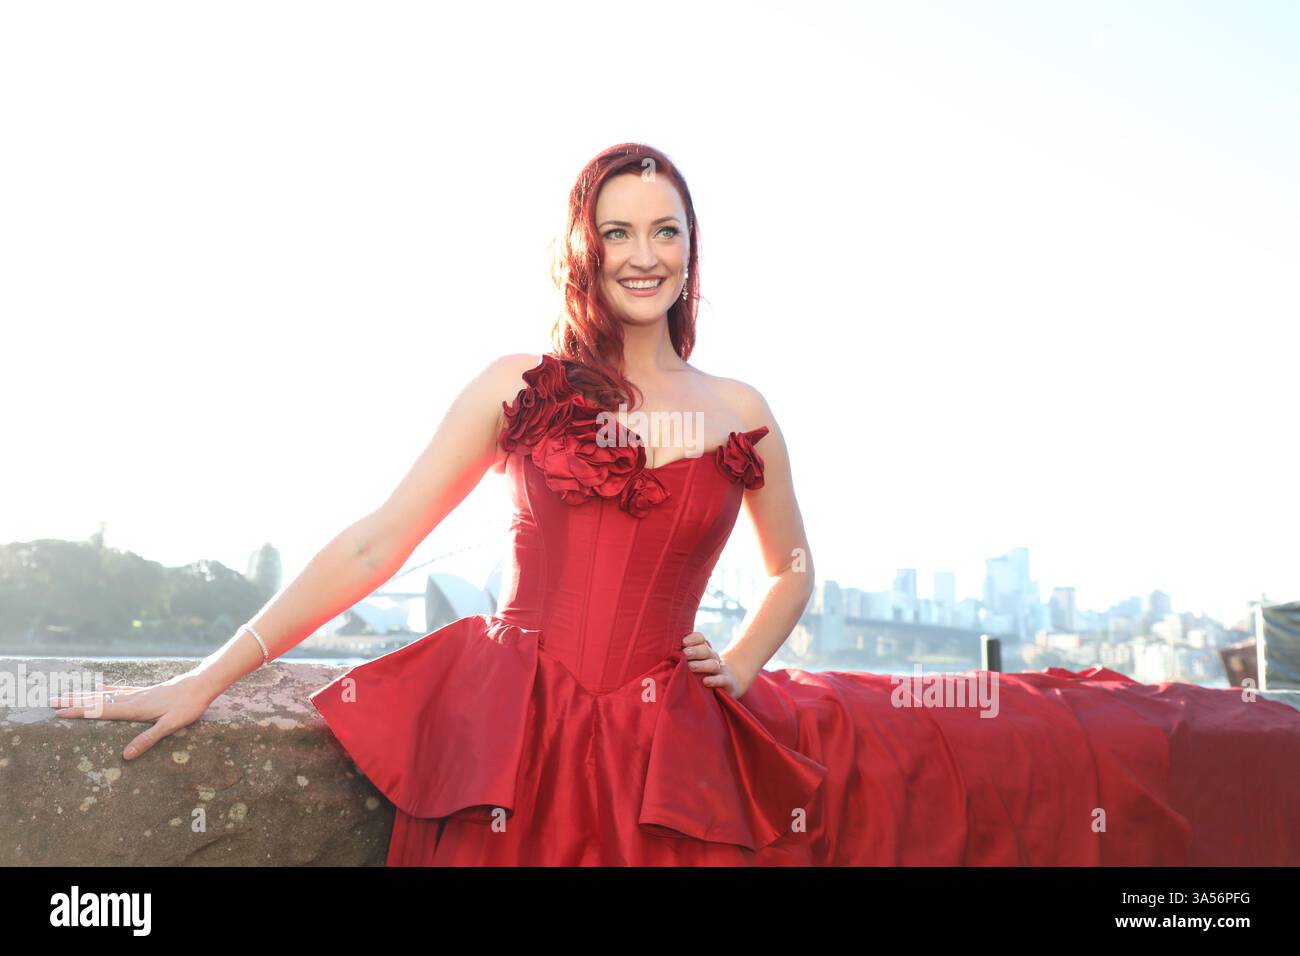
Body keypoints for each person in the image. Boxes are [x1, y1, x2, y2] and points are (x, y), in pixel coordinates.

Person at [51, 143, 1300, 866]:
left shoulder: (739, 404)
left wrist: (744, 666)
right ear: (580, 248)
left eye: (666, 229)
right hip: (519, 737)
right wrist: (203, 678)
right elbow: (380, 540)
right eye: (617, 230)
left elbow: (795, 564)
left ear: (691, 249)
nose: (643, 251)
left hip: (671, 745)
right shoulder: (518, 386)